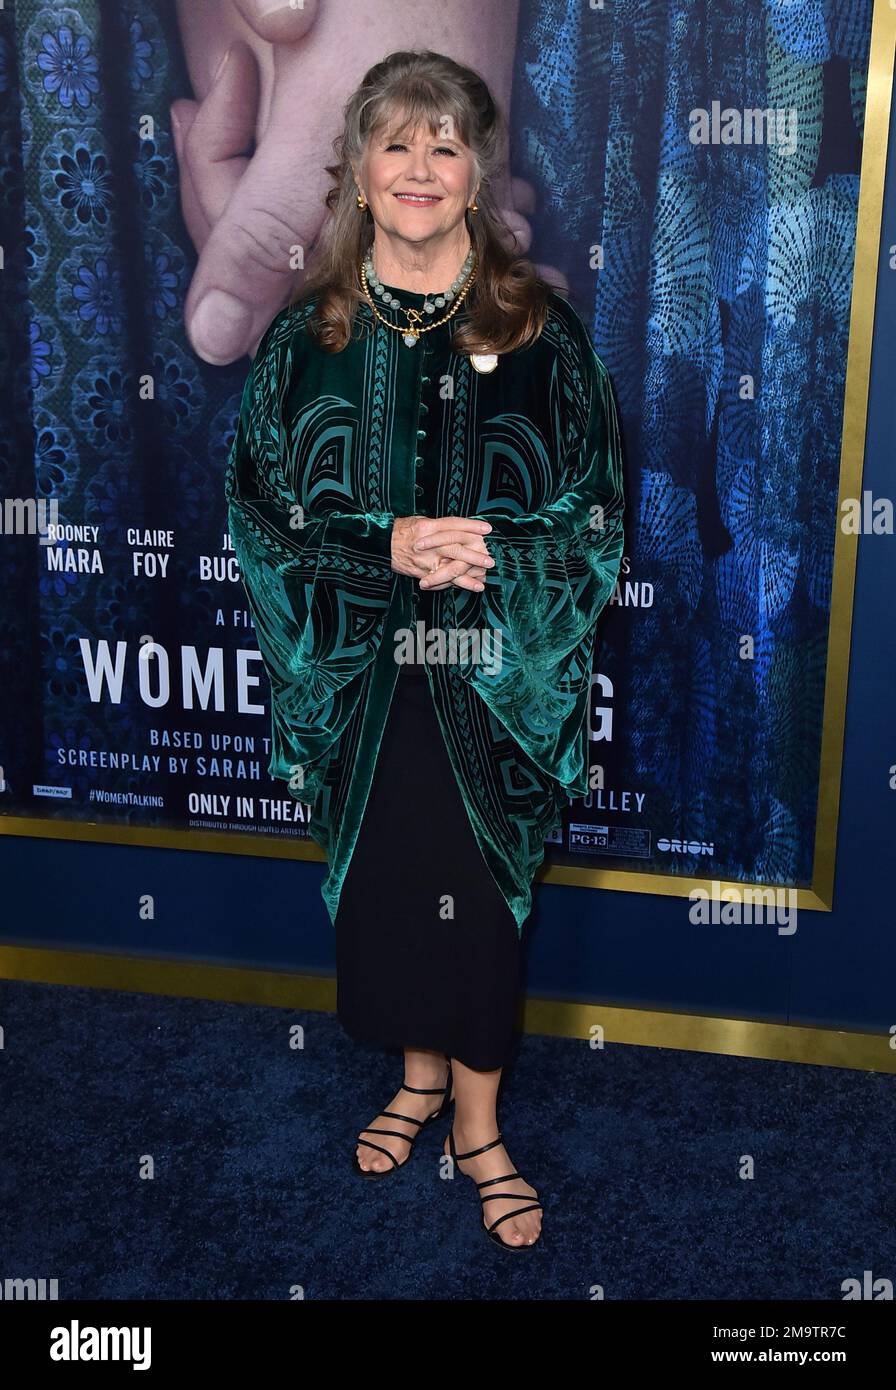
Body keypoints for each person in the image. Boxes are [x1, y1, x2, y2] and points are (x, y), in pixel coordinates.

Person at [225, 49, 625, 1251]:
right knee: (394, 888)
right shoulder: (306, 340)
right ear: (354, 173)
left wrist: (492, 554)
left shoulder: (539, 333)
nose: (417, 167)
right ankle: (412, 1079)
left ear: (474, 174)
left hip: (492, 681)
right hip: (357, 676)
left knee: (480, 905)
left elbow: (597, 508)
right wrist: (382, 545)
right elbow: (259, 504)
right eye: (394, 144)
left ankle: (479, 1124)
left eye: (443, 144)